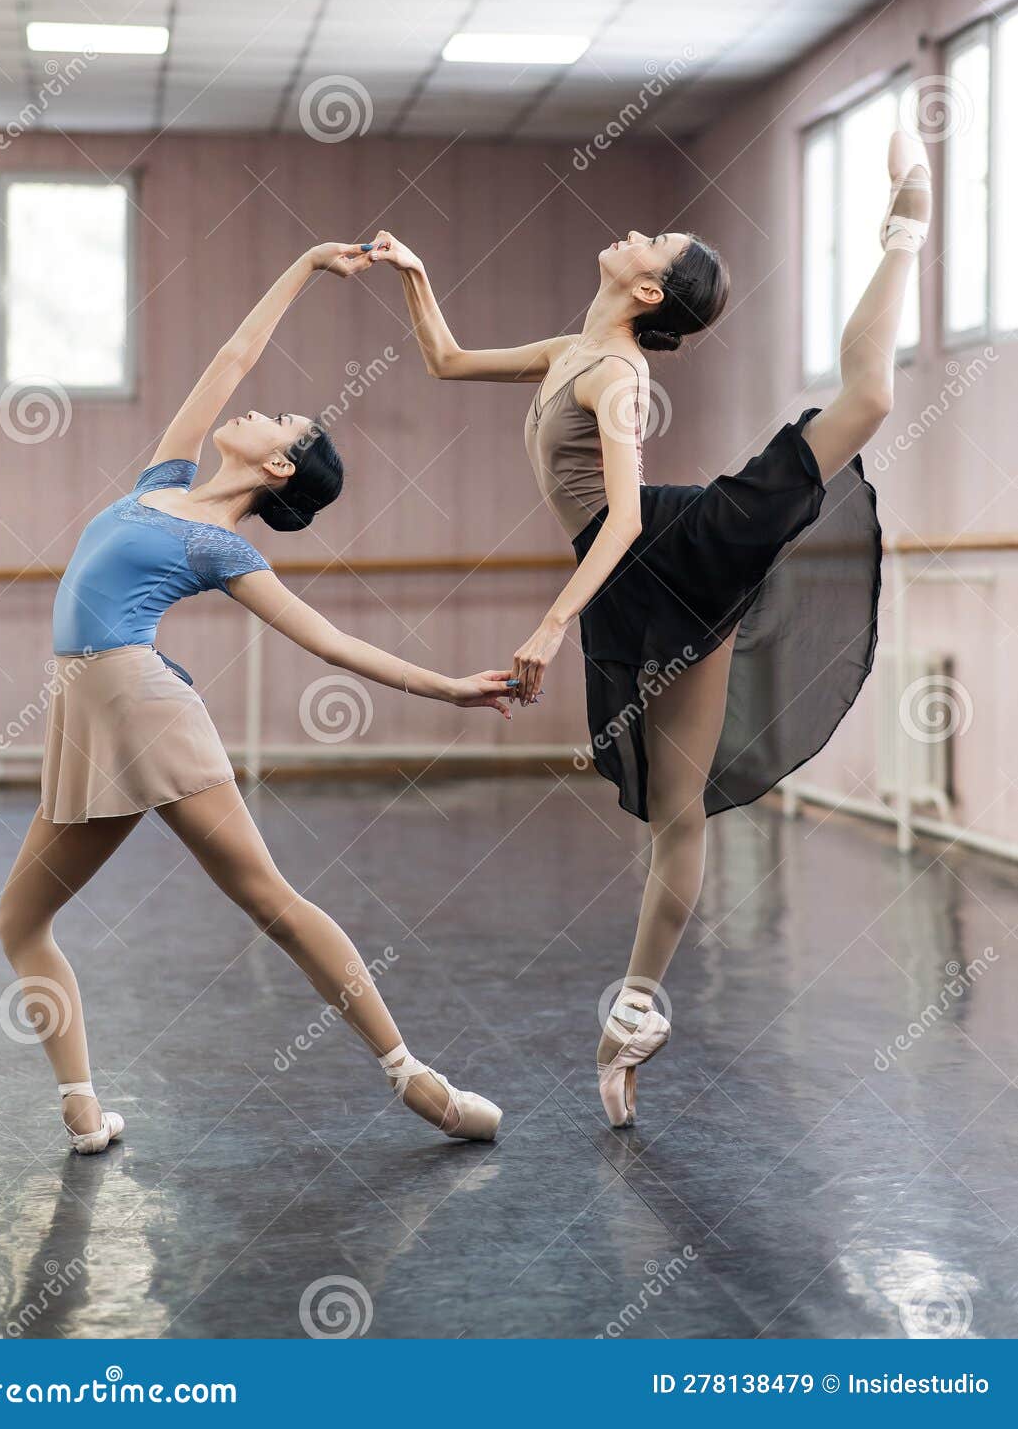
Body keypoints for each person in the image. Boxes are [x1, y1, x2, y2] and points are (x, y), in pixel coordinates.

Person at [369, 130, 931, 1127]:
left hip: (681, 545)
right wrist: (414, 275)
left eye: (651, 240)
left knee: (868, 401)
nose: (632, 233)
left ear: (644, 292)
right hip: (644, 581)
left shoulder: (618, 375)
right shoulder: (568, 350)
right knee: (675, 812)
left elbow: (623, 518)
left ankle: (907, 225)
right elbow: (447, 360)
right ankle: (634, 1016)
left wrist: (547, 627)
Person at [0, 241, 511, 1153]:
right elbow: (233, 354)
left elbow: (332, 641)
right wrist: (306, 267)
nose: (259, 407)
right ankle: (82, 1111)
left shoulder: (224, 551)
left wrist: (450, 690)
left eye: (280, 421)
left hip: (146, 707)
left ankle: (414, 1078)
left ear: (280, 467)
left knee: (269, 901)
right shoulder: (165, 481)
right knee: (21, 922)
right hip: (85, 714)